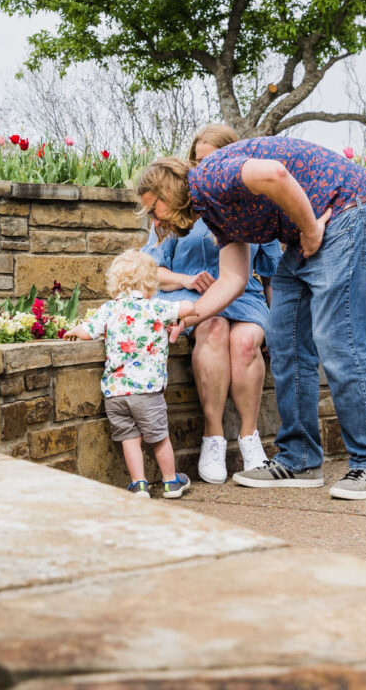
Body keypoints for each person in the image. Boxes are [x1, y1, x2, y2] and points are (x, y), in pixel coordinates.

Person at [135, 137, 366, 501]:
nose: (154, 220)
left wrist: (310, 230)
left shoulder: (209, 177)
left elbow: (274, 173)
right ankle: (299, 460)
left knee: (341, 342)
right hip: (313, 231)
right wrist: (188, 318)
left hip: (345, 214)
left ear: (169, 192)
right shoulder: (215, 212)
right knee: (284, 340)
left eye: (154, 208)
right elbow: (233, 279)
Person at [143, 123, 271, 484]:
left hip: (244, 298)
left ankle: (249, 438)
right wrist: (184, 280)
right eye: (199, 161)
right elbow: (149, 271)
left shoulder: (249, 206)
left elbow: (270, 273)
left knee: (245, 341)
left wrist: (278, 327)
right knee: (213, 328)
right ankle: (213, 438)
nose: (205, 168)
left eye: (214, 160)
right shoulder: (177, 209)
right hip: (193, 298)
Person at [64, 249, 194, 499]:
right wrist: (192, 311)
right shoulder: (156, 307)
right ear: (150, 283)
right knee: (159, 438)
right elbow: (187, 307)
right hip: (147, 391)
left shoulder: (109, 309)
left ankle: (139, 484)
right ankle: (170, 482)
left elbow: (86, 331)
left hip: (116, 392)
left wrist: (72, 331)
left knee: (130, 439)